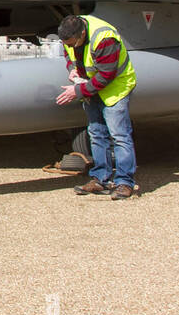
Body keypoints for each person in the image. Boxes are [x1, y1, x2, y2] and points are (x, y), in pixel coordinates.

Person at [55, 15, 137, 199]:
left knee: (119, 136)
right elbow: (69, 54)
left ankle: (125, 183)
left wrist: (78, 91)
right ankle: (100, 179)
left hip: (116, 88)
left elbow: (107, 75)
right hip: (90, 88)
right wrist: (72, 69)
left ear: (82, 33)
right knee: (96, 133)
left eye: (73, 42)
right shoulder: (70, 35)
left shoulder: (104, 38)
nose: (71, 46)